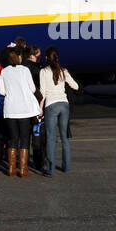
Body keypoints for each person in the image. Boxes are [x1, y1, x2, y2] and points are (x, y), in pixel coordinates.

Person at [0, 47, 40, 178]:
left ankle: (11, 168)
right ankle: (23, 169)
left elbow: (1, 91)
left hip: (10, 110)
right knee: (25, 138)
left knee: (13, 138)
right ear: (19, 57)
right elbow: (32, 88)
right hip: (24, 110)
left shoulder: (4, 71)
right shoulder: (25, 70)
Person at [38, 46, 78, 177]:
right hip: (64, 105)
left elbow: (42, 92)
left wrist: (40, 108)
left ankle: (50, 169)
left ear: (46, 58)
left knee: (51, 138)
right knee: (65, 137)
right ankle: (66, 166)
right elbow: (76, 86)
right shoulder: (63, 71)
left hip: (51, 105)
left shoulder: (44, 71)